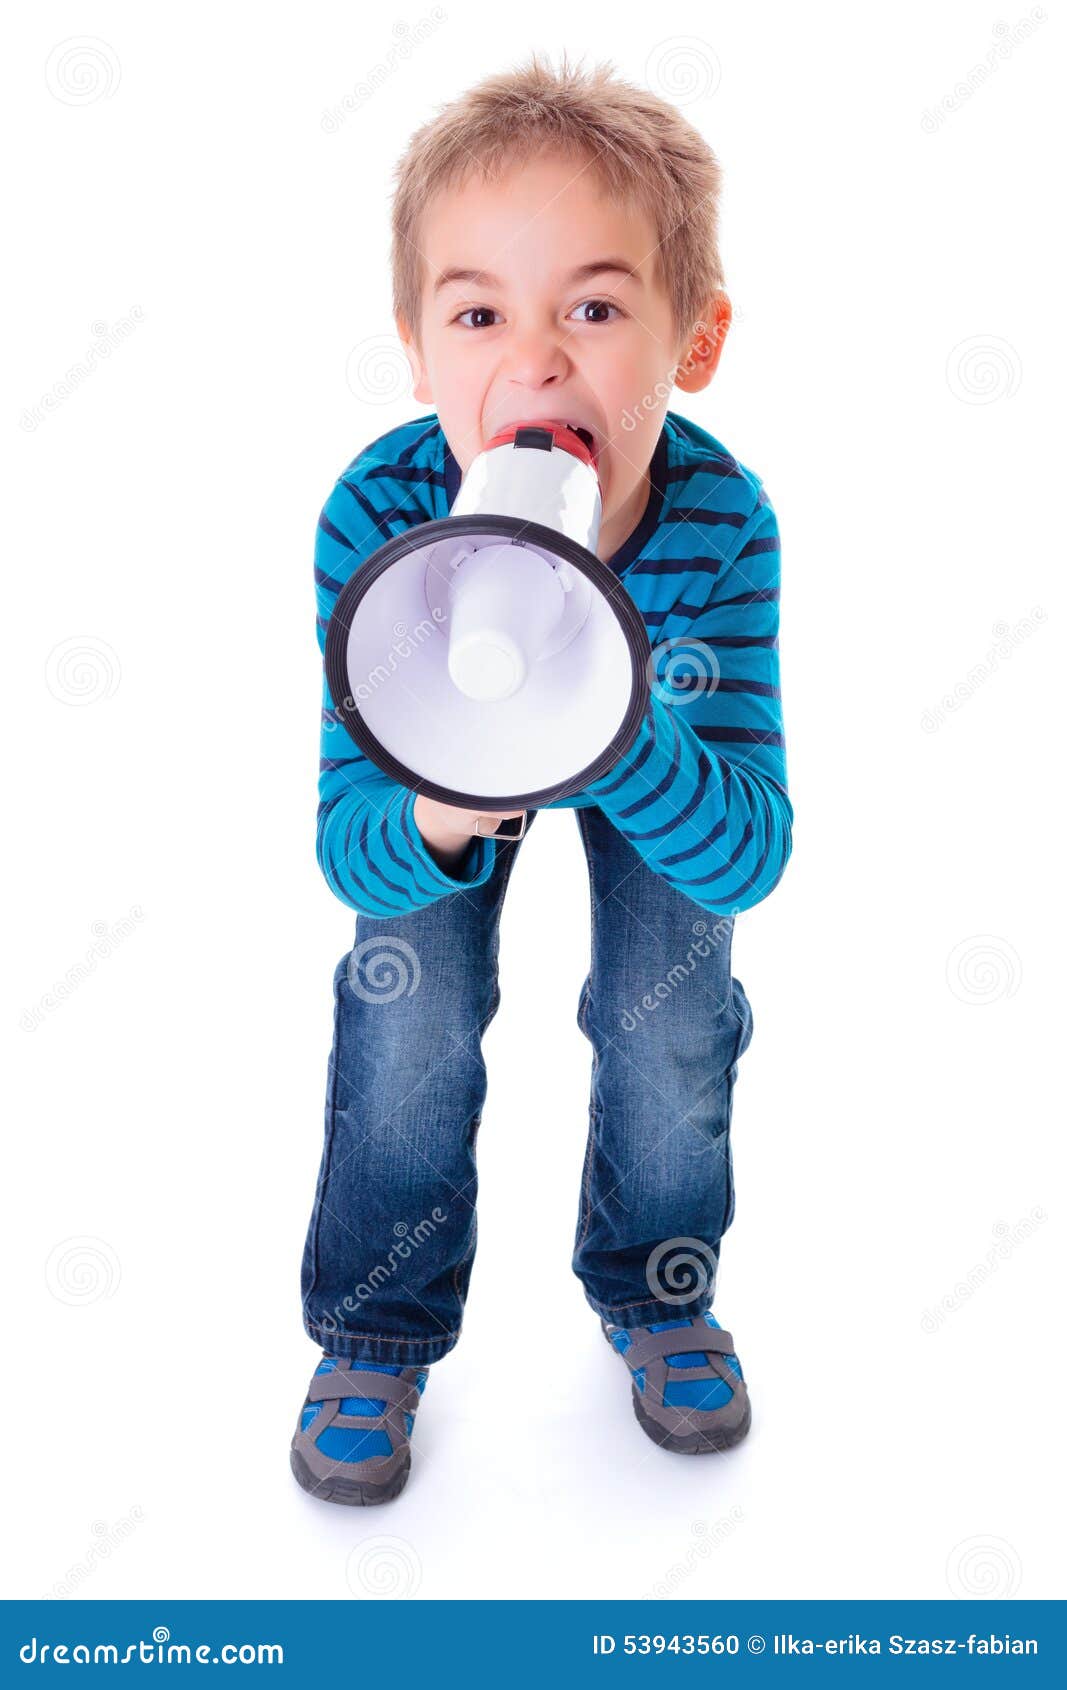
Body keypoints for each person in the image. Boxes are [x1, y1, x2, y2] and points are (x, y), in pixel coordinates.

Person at [291, 54, 793, 1506]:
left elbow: (745, 852)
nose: (535, 359)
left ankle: (661, 1287)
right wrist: (447, 800)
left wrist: (617, 726)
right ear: (415, 349)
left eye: (593, 306)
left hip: (656, 756)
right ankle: (377, 1321)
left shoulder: (721, 525)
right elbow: (352, 848)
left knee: (674, 1017)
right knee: (410, 1017)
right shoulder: (379, 517)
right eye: (478, 314)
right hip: (449, 781)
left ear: (692, 341)